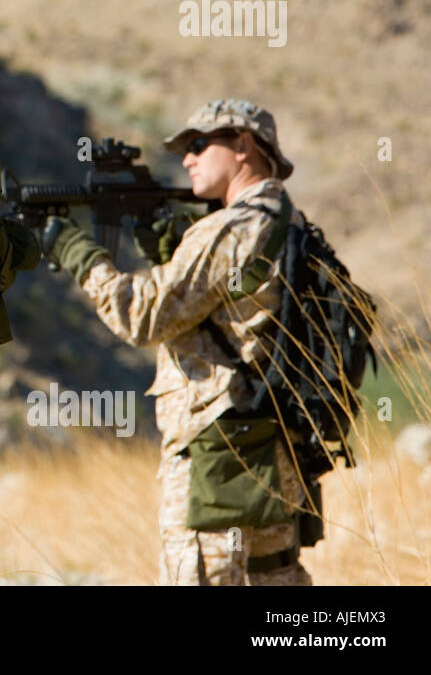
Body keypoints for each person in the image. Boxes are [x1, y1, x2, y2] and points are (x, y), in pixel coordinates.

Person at [43, 99, 314, 585]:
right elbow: (230, 306)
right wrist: (174, 248)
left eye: (198, 145)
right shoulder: (290, 221)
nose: (187, 159)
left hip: (217, 453)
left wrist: (79, 254)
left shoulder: (229, 227)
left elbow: (142, 316)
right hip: (274, 449)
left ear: (244, 146)